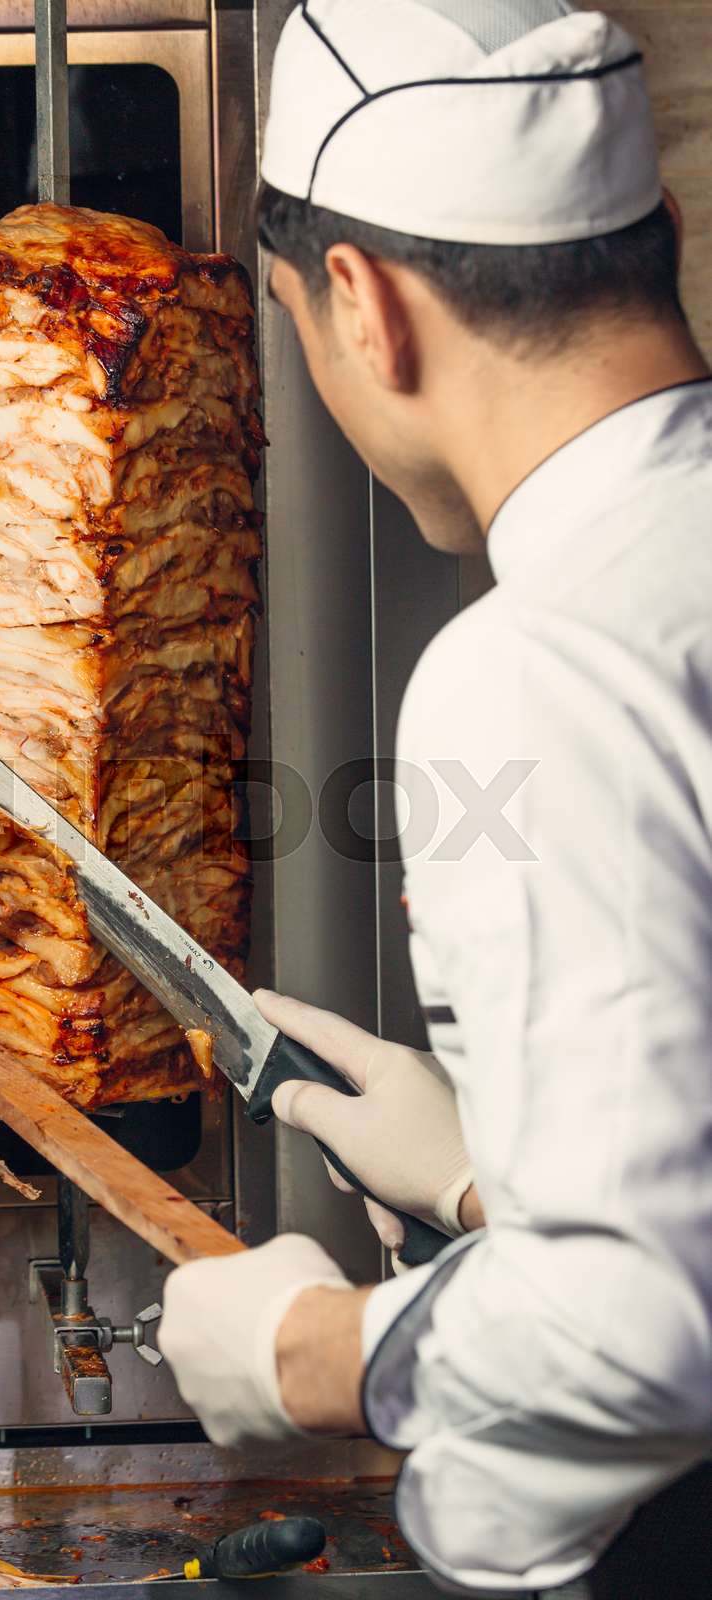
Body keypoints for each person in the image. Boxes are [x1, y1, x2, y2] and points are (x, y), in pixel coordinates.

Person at [156, 1, 712, 1595]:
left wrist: (311, 1347)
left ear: (362, 305)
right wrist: (485, 1178)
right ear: (655, 232)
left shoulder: (529, 666)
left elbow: (644, 1333)